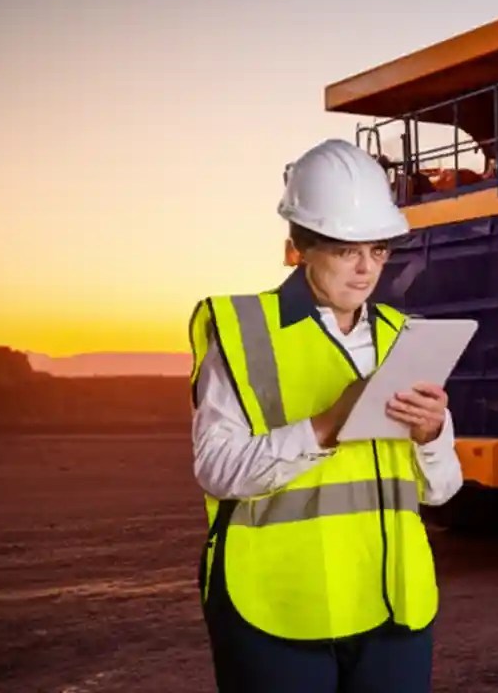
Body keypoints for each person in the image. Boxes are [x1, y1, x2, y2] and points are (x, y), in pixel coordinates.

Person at [187, 138, 464, 692]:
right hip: (278, 603)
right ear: (299, 248)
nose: (366, 270)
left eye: (379, 251)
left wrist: (432, 436)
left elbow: (441, 490)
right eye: (345, 251)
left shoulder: (400, 336)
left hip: (392, 604)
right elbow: (216, 469)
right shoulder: (243, 334)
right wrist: (325, 425)